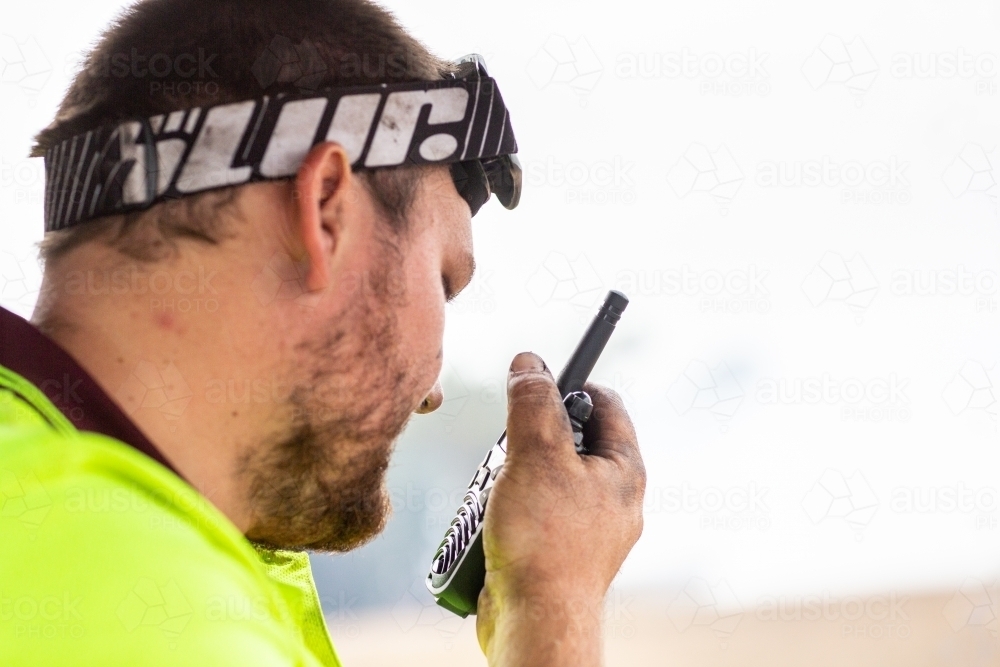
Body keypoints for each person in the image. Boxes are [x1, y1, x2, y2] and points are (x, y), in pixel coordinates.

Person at [0, 0, 645, 665]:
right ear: (326, 211)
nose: (431, 393)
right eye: (444, 280)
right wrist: (552, 607)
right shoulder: (145, 600)